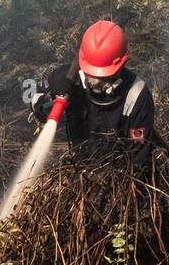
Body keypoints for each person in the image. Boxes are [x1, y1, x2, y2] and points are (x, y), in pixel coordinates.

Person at [32, 20, 155, 172]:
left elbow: (138, 160)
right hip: (78, 169)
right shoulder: (66, 80)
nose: (96, 81)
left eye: (104, 76)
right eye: (92, 73)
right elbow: (35, 101)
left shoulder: (136, 95)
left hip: (119, 176)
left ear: (121, 65)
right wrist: (48, 100)